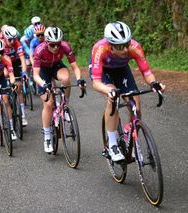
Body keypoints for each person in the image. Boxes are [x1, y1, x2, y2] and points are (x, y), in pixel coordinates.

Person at [90, 21, 165, 161]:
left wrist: (154, 83)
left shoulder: (134, 47)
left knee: (136, 105)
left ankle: (127, 135)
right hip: (103, 72)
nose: (125, 49)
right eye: (120, 46)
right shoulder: (99, 49)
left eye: (127, 44)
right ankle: (112, 144)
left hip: (121, 70)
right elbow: (96, 83)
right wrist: (108, 91)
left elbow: (147, 72)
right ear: (110, 46)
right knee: (113, 96)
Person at [33, 26, 86, 153]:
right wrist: (44, 84)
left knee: (66, 79)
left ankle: (64, 105)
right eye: (52, 45)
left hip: (57, 66)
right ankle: (47, 137)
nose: (56, 48)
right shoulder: (39, 50)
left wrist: (79, 80)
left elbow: (75, 67)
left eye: (58, 44)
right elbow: (35, 74)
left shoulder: (65, 46)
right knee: (49, 103)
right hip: (43, 72)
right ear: (46, 42)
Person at [3, 26, 29, 126]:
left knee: (19, 88)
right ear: (5, 38)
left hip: (15, 63)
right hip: (4, 65)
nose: (12, 41)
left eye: (14, 39)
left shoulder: (17, 44)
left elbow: (22, 60)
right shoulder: (2, 45)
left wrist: (24, 72)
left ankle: (22, 116)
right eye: (10, 39)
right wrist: (5, 71)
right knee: (5, 75)